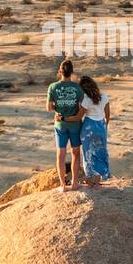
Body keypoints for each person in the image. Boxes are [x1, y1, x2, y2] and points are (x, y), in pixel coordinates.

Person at [46, 58, 85, 191]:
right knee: (75, 153)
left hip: (60, 124)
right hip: (75, 124)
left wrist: (58, 108)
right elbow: (83, 106)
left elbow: (49, 108)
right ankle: (74, 183)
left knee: (61, 153)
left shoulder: (53, 87)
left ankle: (62, 185)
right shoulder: (77, 88)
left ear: (60, 71)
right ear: (72, 72)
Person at [77, 74, 111, 183]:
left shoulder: (86, 100)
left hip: (89, 127)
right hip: (101, 126)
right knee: (100, 152)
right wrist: (104, 127)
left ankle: (88, 179)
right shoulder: (104, 97)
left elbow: (79, 116)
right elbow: (108, 115)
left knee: (88, 152)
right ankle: (97, 180)